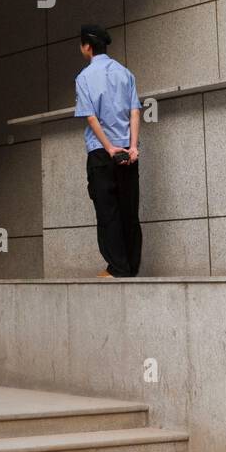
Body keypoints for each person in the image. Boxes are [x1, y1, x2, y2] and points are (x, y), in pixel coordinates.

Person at [74, 24, 143, 279]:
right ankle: (132, 268)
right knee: (129, 211)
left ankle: (116, 268)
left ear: (87, 47)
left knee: (107, 212)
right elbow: (135, 111)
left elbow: (91, 118)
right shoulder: (125, 73)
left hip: (102, 154)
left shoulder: (84, 77)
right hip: (128, 153)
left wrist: (108, 147)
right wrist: (132, 146)